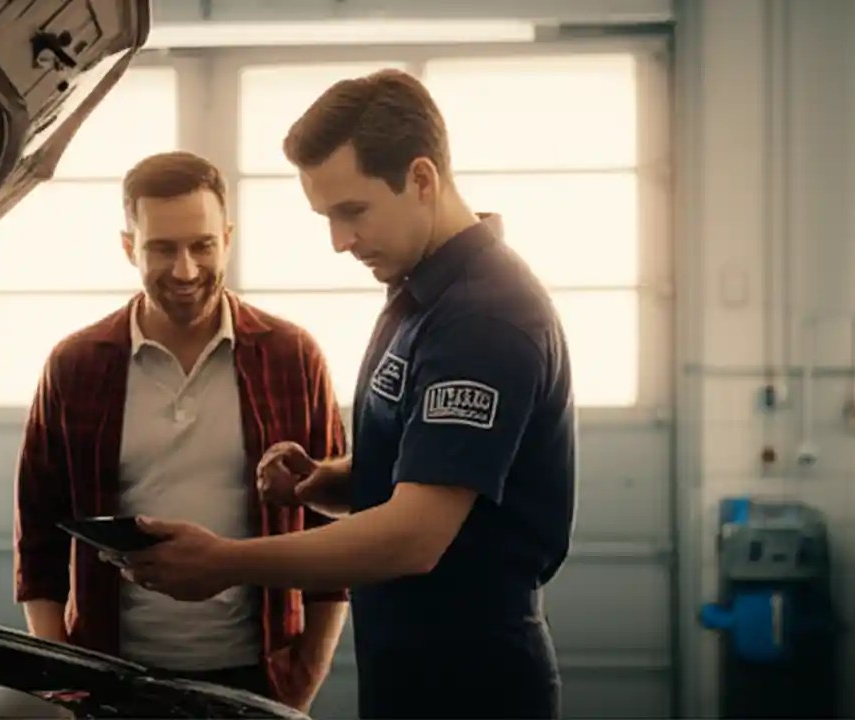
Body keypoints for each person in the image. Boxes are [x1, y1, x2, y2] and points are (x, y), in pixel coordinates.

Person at [118, 69, 577, 719]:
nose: (339, 241)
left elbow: (414, 536)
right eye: (327, 216)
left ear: (421, 179)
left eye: (352, 211)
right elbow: (435, 467)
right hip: (410, 666)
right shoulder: (421, 296)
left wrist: (225, 562)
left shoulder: (484, 319)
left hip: (475, 680)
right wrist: (327, 482)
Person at [12, 150, 350, 712]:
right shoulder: (75, 365)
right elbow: (39, 543)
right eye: (162, 248)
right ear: (129, 247)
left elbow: (328, 534)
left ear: (229, 238)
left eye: (202, 245)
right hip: (109, 684)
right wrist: (64, 688)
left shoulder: (292, 356)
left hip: (259, 683)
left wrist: (302, 681)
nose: (186, 270)